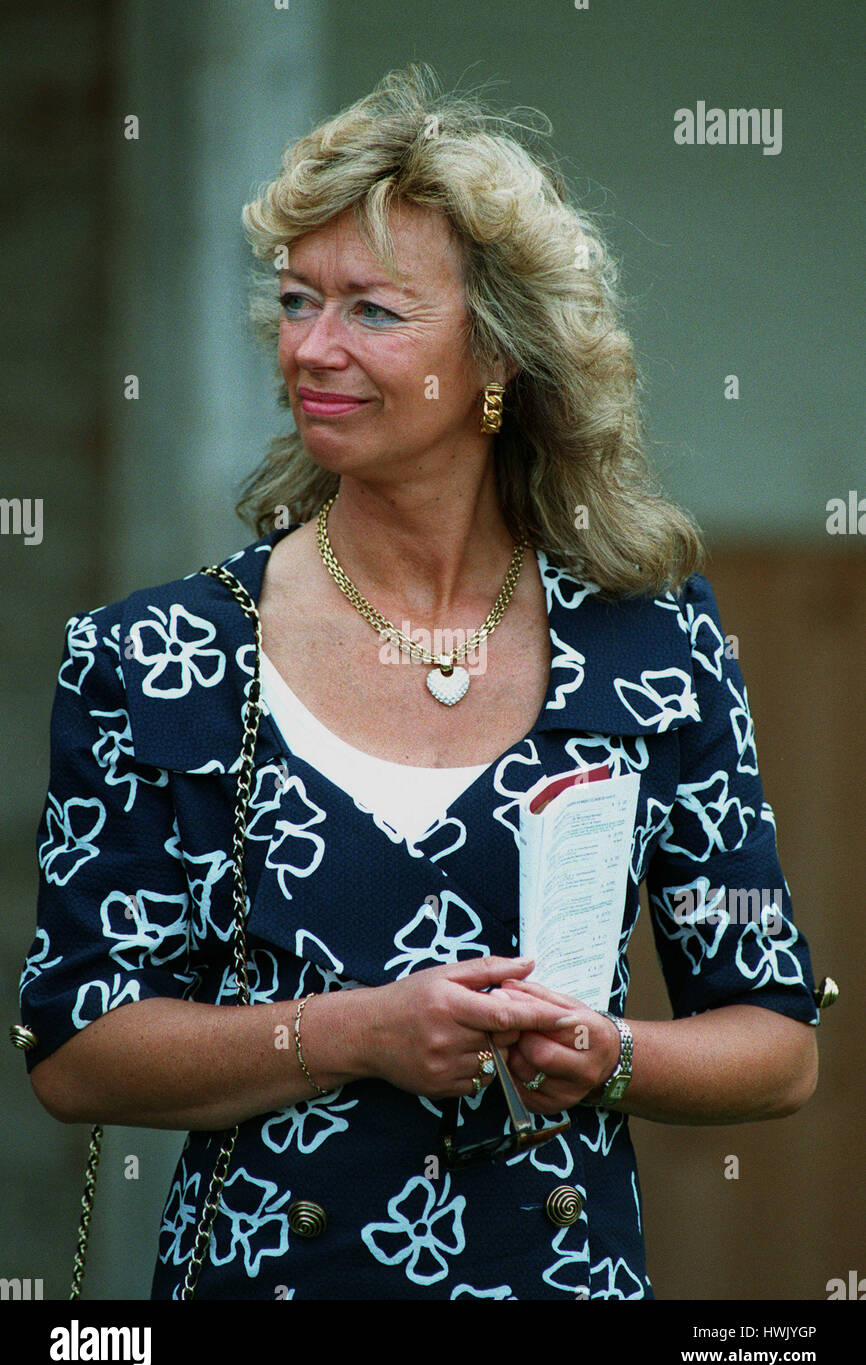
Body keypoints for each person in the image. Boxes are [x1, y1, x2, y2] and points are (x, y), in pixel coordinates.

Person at [16, 63, 821, 1301]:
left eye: (373, 312)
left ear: (497, 353)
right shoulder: (154, 656)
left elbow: (771, 1046)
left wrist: (604, 1054)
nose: (312, 348)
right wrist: (356, 1031)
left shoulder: (656, 647)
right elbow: (77, 1052)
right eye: (295, 302)